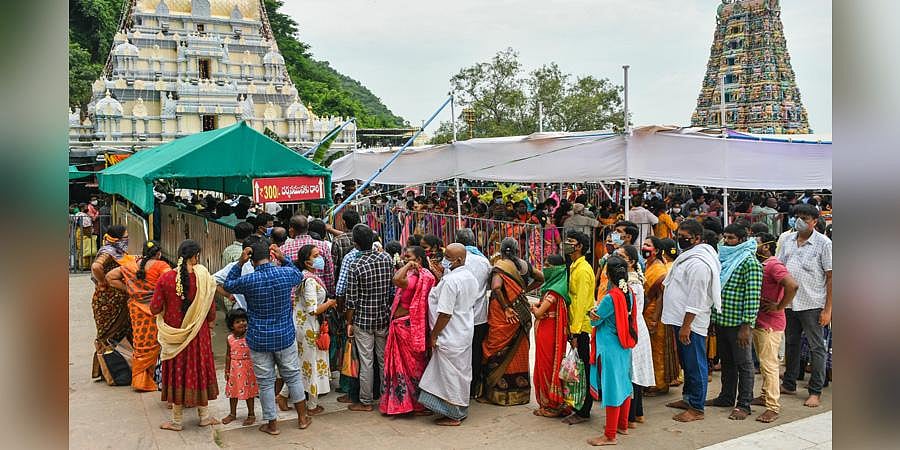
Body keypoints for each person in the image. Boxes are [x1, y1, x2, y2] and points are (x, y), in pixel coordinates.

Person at [223, 239, 312, 435]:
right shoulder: (286, 273)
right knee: (293, 376)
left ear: (251, 259)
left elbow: (228, 284)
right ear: (271, 256)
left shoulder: (249, 280)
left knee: (265, 382)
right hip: (284, 335)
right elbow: (299, 275)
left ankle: (272, 424)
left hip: (259, 337)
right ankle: (303, 418)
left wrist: (239, 263)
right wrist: (284, 258)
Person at [151, 240, 220, 431]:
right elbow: (211, 309)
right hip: (199, 335)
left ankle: (177, 421)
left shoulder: (165, 279)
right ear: (194, 256)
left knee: (177, 372)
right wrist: (209, 322)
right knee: (199, 369)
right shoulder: (204, 278)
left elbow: (154, 307)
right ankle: (204, 417)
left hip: (174, 336)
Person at [661, 219, 722, 422]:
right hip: (679, 320)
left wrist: (686, 326)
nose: (680, 241)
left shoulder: (699, 264)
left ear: (697, 239)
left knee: (696, 364)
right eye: (678, 236)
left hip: (691, 324)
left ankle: (697, 407)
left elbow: (697, 298)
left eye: (685, 238)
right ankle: (688, 398)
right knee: (687, 363)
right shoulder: (687, 257)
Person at [418, 244, 480, 426]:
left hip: (450, 334)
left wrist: (434, 335)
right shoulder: (469, 277)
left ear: (459, 260)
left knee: (450, 375)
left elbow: (445, 313)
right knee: (459, 372)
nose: (444, 260)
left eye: (448, 257)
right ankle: (459, 409)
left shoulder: (451, 282)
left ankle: (453, 414)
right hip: (463, 331)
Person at [777, 204, 832, 408]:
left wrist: (828, 309)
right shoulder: (788, 240)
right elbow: (779, 267)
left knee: (816, 347)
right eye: (797, 217)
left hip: (813, 303)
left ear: (814, 222)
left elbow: (831, 277)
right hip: (790, 303)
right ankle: (789, 383)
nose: (799, 221)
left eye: (805, 219)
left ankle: (815, 390)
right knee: (791, 343)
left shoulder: (824, 244)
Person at [707, 224, 763, 420]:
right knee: (727, 362)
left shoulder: (749, 262)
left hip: (739, 324)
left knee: (744, 364)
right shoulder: (723, 259)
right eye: (725, 237)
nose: (726, 242)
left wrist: (746, 326)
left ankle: (744, 404)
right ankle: (726, 396)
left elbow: (752, 297)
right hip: (722, 319)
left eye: (731, 238)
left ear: (741, 239)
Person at [274, 244, 337, 414]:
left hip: (303, 326)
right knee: (312, 363)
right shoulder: (309, 280)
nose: (320, 258)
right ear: (307, 261)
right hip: (309, 328)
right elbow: (313, 309)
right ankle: (311, 405)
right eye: (315, 255)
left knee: (303, 363)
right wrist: (330, 303)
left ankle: (283, 395)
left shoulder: (307, 277)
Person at [480, 237, 543, 406]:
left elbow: (496, 288)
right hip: (521, 312)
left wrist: (507, 307)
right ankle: (520, 394)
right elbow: (541, 278)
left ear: (502, 250)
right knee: (519, 349)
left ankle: (498, 393)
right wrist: (523, 290)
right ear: (517, 250)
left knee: (495, 347)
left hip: (503, 313)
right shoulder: (524, 265)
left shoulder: (500, 266)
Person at [586, 256, 638, 446]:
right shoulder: (629, 292)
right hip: (623, 345)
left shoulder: (610, 297)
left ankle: (609, 435)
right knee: (624, 384)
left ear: (608, 275)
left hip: (608, 346)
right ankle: (622, 425)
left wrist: (591, 314)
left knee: (612, 388)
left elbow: (596, 319)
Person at [105, 240, 171, 391]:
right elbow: (170, 282)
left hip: (137, 309)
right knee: (158, 343)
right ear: (158, 253)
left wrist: (130, 290)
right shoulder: (161, 266)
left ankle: (140, 380)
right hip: (156, 310)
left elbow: (109, 277)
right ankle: (155, 377)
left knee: (141, 344)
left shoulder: (129, 266)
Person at [380, 246, 437, 415]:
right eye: (404, 257)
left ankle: (415, 404)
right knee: (407, 367)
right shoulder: (418, 275)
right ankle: (407, 403)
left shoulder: (416, 278)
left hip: (407, 327)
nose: (405, 259)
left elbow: (396, 279)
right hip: (403, 326)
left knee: (411, 368)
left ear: (418, 260)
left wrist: (407, 266)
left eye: (409, 257)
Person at [344, 224, 394, 412]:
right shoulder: (386, 258)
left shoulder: (355, 265)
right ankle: (385, 396)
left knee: (367, 363)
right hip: (383, 316)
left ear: (355, 244)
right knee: (383, 360)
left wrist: (349, 321)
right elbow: (391, 287)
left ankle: (365, 401)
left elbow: (351, 300)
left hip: (363, 320)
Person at [749, 233, 799, 423]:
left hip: (770, 323)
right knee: (764, 363)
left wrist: (779, 306)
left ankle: (772, 406)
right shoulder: (764, 264)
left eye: (757, 243)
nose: (754, 246)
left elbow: (792, 286)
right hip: (763, 321)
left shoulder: (773, 265)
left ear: (767, 247)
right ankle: (765, 396)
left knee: (769, 365)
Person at [89, 225, 134, 381]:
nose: (126, 240)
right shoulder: (108, 252)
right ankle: (111, 373)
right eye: (125, 237)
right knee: (108, 335)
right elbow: (96, 266)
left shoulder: (117, 251)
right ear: (116, 239)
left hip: (117, 301)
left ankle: (114, 371)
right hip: (107, 302)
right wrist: (103, 282)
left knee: (119, 333)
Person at [616, 245, 654, 428]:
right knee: (633, 371)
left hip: (632, 327)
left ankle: (631, 415)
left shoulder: (630, 283)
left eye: (621, 256)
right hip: (637, 325)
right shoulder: (632, 279)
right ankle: (637, 412)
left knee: (631, 372)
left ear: (631, 262)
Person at [561, 230, 596, 425]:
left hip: (581, 327)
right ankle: (577, 404)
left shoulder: (583, 270)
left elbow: (582, 302)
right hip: (575, 324)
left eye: (571, 241)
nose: (567, 244)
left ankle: (584, 411)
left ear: (580, 246)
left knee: (582, 369)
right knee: (578, 368)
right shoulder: (575, 266)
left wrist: (574, 331)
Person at [531, 254, 571, 418]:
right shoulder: (557, 288)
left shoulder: (554, 292)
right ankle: (552, 403)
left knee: (546, 367)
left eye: (547, 266)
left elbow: (540, 313)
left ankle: (551, 405)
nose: (544, 269)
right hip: (548, 333)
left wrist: (534, 308)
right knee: (546, 365)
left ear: (555, 270)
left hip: (548, 335)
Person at [454, 228, 492, 398]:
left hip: (459, 316)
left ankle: (461, 388)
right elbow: (489, 285)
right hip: (479, 315)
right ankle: (474, 388)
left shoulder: (454, 261)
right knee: (476, 352)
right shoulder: (484, 261)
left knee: (460, 352)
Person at [640, 236, 679, 396]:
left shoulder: (659, 269)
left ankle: (660, 384)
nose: (644, 247)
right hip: (647, 312)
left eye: (647, 245)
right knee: (650, 348)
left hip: (656, 313)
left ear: (656, 250)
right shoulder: (648, 265)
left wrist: (655, 318)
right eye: (644, 244)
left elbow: (662, 296)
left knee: (658, 349)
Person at [222, 308, 259, 426]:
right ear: (231, 326)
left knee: (250, 392)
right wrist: (227, 370)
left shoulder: (250, 336)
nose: (242, 323)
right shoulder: (229, 339)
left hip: (248, 368)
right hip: (234, 369)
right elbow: (228, 355)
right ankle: (232, 414)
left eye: (243, 320)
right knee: (233, 392)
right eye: (237, 322)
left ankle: (251, 414)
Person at [282, 215, 335, 295]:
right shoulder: (323, 246)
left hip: (294, 298)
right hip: (320, 294)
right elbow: (329, 274)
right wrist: (330, 294)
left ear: (291, 230)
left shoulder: (283, 250)